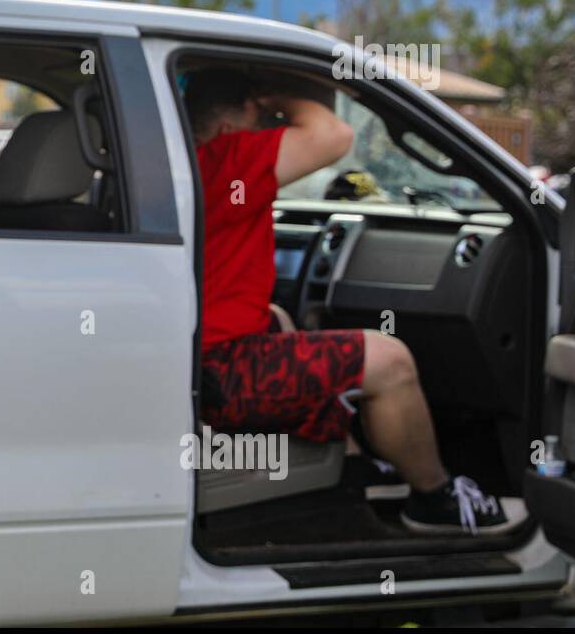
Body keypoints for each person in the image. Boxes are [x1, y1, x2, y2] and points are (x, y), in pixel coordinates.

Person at [185, 68, 516, 535]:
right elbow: (332, 136)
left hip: (199, 358)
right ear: (225, 127)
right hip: (218, 371)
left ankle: (355, 467)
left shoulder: (183, 167)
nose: (268, 130)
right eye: (259, 118)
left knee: (279, 322)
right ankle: (435, 498)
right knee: (389, 359)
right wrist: (279, 92)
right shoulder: (223, 157)